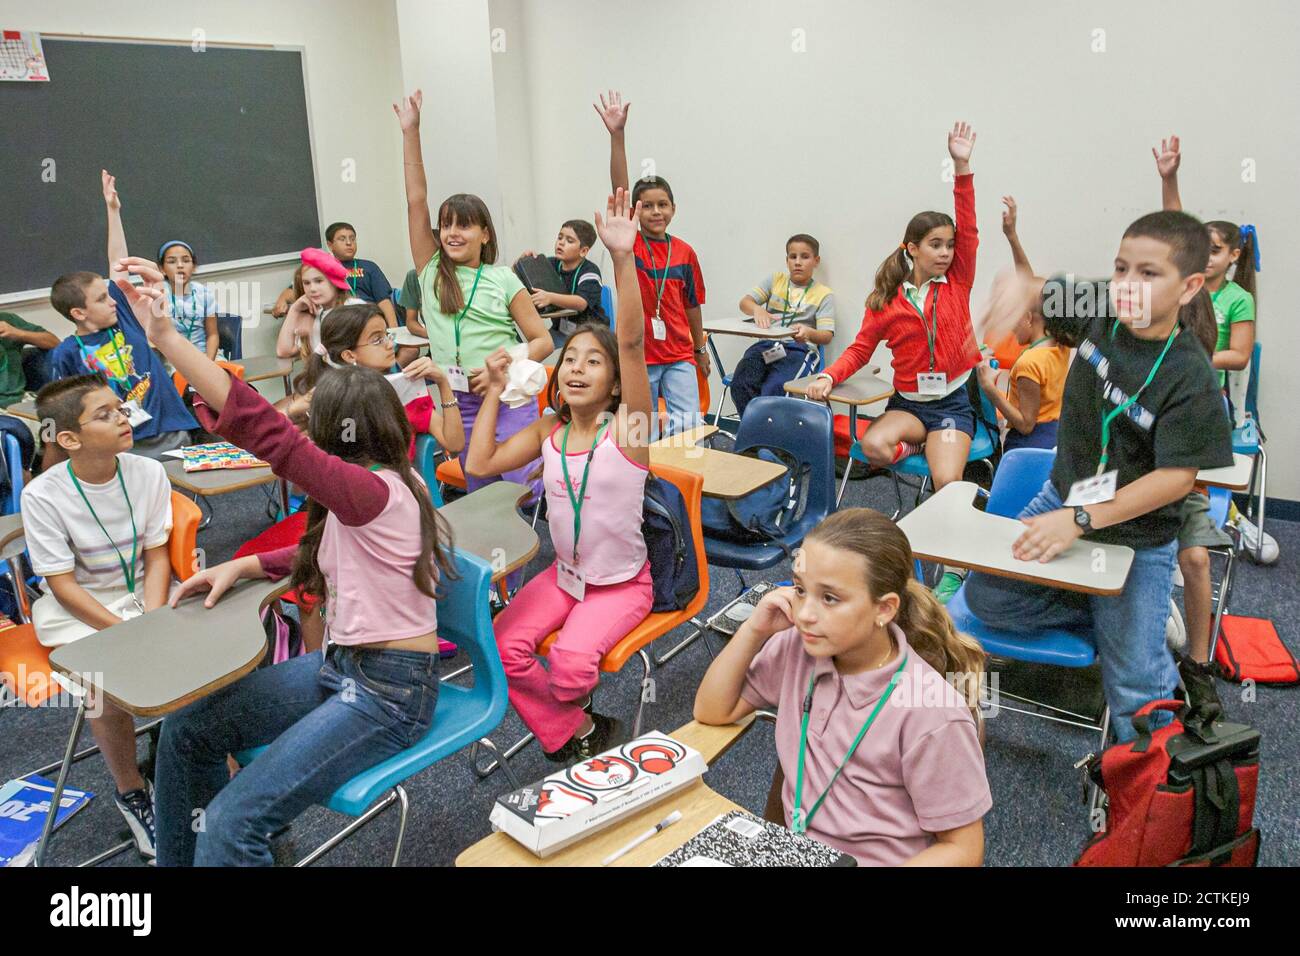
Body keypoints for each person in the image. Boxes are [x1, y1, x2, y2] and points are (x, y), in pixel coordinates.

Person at [111, 255, 451, 867]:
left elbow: (265, 430)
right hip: (345, 664)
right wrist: (249, 566)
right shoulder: (377, 489)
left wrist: (165, 338)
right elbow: (337, 554)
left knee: (230, 825)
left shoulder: (370, 492)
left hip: (387, 692)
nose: (306, 431)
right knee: (187, 734)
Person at [967, 210, 1235, 740]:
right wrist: (1016, 289)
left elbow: (1177, 480)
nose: (1128, 284)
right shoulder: (1101, 305)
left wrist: (1080, 520)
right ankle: (1110, 610)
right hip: (1062, 497)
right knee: (985, 600)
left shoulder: (1190, 374)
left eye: (1148, 273)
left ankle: (1144, 780)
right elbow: (1039, 288)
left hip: (1135, 534)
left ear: (1190, 287)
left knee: (1135, 686)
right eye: (1120, 267)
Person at [466, 188, 652, 760]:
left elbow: (632, 342)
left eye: (592, 362)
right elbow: (479, 464)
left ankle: (570, 716)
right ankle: (577, 728)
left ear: (616, 384)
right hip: (566, 575)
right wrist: (495, 393)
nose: (575, 368)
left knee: (571, 665)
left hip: (621, 583)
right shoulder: (548, 428)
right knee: (500, 644)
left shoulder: (630, 432)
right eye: (570, 360)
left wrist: (622, 258)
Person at [694, 508, 991, 866]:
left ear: (884, 609)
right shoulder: (798, 646)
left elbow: (964, 850)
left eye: (830, 598)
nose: (805, 614)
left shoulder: (931, 711)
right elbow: (712, 710)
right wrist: (754, 628)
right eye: (800, 590)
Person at [22, 374, 175, 857]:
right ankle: (132, 792)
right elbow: (63, 587)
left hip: (143, 598)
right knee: (102, 686)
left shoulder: (148, 473)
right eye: (105, 414)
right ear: (68, 439)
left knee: (198, 660)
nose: (123, 418)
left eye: (121, 408)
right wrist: (125, 633)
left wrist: (150, 620)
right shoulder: (42, 496)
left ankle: (206, 769)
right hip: (80, 611)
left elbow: (157, 557)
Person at [394, 89, 551, 497]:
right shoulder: (430, 271)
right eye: (446, 225)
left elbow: (543, 341)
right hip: (458, 399)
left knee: (522, 488)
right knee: (482, 491)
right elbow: (416, 200)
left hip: (508, 396)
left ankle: (536, 548)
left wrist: (500, 365)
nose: (451, 233)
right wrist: (411, 131)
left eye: (463, 225)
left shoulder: (502, 278)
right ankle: (499, 561)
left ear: (484, 234)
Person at [807, 123, 981, 491]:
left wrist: (961, 168)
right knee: (872, 446)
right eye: (936, 245)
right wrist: (828, 376)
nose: (946, 252)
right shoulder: (886, 299)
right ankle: (914, 444)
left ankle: (937, 536)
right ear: (912, 248)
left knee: (947, 483)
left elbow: (969, 225)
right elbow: (859, 349)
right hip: (909, 406)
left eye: (950, 245)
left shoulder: (957, 280)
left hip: (951, 406)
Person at [45, 171, 198, 463]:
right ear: (79, 313)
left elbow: (119, 263)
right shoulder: (65, 353)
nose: (113, 300)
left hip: (167, 429)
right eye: (101, 299)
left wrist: (113, 210)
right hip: (120, 445)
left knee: (175, 501)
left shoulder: (124, 318)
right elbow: (68, 407)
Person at [596, 89, 709, 437]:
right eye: (647, 205)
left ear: (674, 209)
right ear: (635, 211)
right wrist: (618, 136)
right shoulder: (629, 245)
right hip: (639, 355)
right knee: (640, 432)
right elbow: (621, 189)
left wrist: (699, 347)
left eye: (663, 204)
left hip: (678, 356)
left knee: (689, 430)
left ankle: (690, 487)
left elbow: (692, 306)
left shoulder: (685, 252)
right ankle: (642, 488)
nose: (656, 211)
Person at [730, 234, 836, 419]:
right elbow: (744, 302)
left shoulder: (823, 294)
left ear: (816, 261)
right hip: (769, 348)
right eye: (793, 257)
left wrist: (808, 333)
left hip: (799, 350)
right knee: (741, 381)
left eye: (805, 257)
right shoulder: (775, 281)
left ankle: (770, 439)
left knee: (775, 389)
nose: (798, 262)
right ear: (786, 260)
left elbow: (826, 335)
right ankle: (756, 433)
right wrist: (757, 310)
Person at [516, 219, 608, 349]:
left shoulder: (590, 271)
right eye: (560, 237)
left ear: (583, 251)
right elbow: (517, 276)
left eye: (569, 240)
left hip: (590, 332)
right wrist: (523, 262)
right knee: (535, 349)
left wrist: (550, 297)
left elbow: (581, 303)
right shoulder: (551, 264)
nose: (561, 243)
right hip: (560, 330)